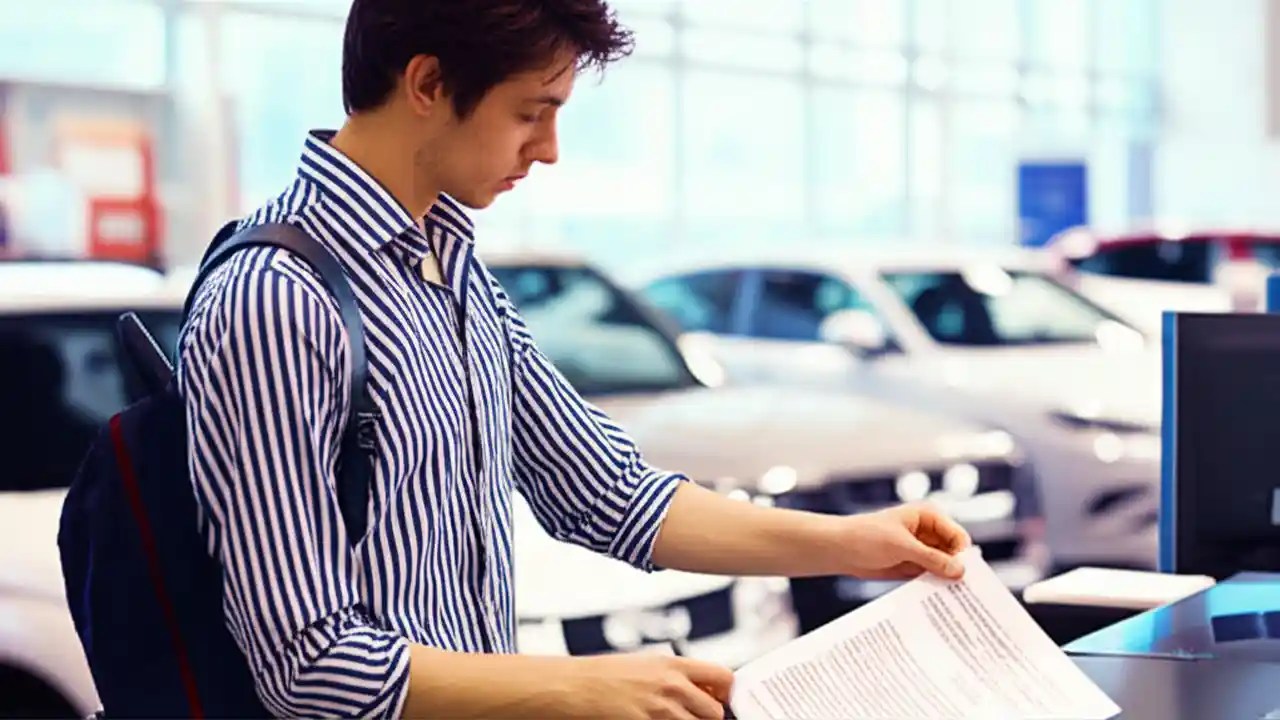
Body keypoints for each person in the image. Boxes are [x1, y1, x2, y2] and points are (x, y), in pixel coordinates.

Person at [177, 1, 973, 718]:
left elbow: (612, 494)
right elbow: (309, 666)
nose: (550, 149)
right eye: (532, 111)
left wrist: (853, 541)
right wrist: (577, 683)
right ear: (427, 82)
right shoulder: (276, 303)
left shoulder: (451, 273)